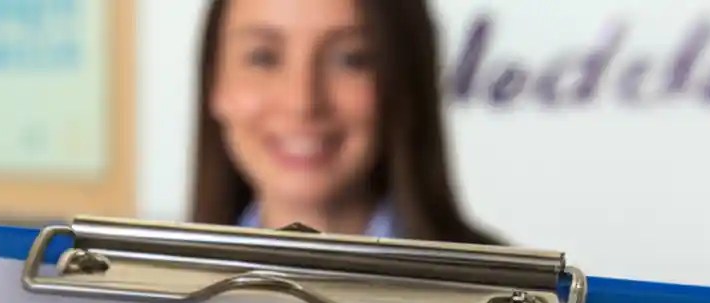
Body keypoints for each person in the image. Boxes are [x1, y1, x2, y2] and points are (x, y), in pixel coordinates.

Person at [191, 0, 500, 245]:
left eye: (351, 59)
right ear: (215, 84)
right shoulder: (152, 299)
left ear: (404, 81)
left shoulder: (520, 301)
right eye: (264, 58)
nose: (303, 103)